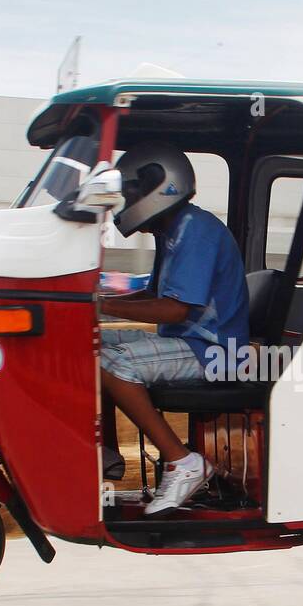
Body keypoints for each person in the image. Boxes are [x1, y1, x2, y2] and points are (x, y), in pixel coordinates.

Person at [98, 142, 248, 515]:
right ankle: (107, 452)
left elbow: (176, 309)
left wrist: (100, 306)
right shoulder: (173, 230)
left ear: (159, 185)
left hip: (214, 352)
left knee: (114, 364)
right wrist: (97, 306)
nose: (127, 202)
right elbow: (154, 294)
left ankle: (183, 462)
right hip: (188, 343)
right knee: (89, 342)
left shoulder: (195, 230)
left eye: (132, 192)